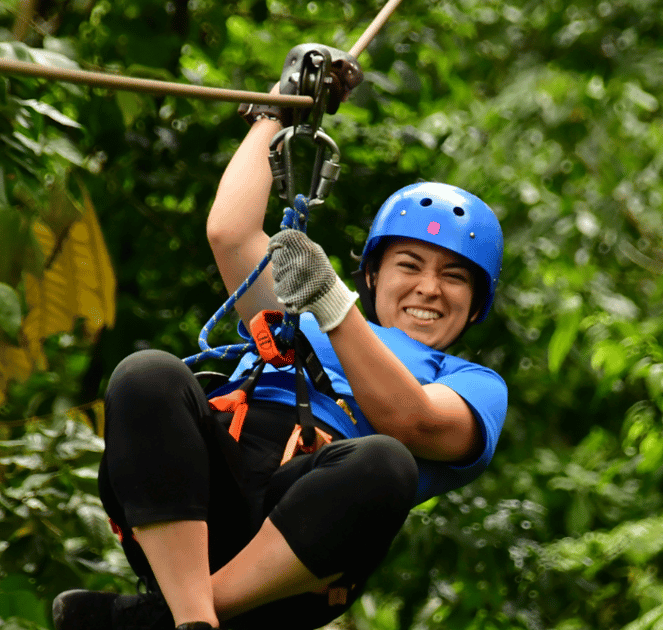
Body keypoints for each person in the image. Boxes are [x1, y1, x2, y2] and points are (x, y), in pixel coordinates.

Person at [53, 95, 507, 630]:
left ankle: (171, 615)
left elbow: (413, 421)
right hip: (196, 503)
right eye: (410, 264)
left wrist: (333, 304)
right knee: (146, 373)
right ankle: (190, 618)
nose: (429, 289)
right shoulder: (304, 319)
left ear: (476, 302)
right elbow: (232, 234)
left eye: (454, 276)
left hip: (303, 548)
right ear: (374, 276)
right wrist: (275, 115)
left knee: (386, 461)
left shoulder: (473, 384)